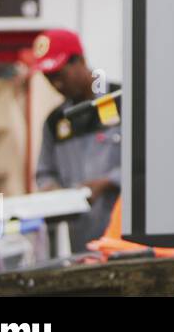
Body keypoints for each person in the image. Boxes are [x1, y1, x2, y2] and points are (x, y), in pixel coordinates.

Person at [30, 28, 121, 253]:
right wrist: (50, 188)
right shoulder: (55, 122)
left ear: (80, 60)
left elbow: (151, 162)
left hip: (125, 238)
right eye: (49, 78)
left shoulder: (123, 101)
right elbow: (45, 172)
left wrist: (108, 181)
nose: (56, 84)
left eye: (60, 74)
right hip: (83, 242)